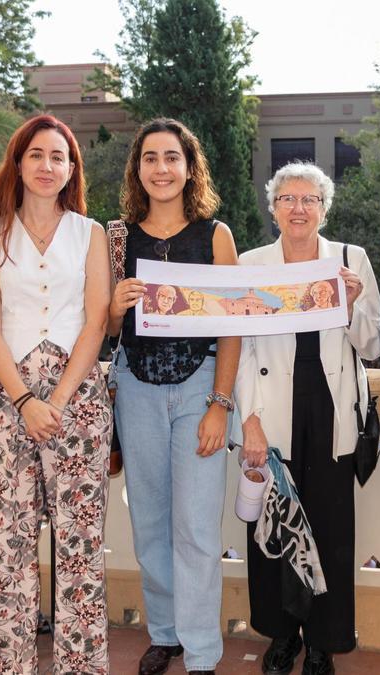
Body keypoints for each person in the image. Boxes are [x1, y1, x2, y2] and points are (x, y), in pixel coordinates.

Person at [0, 114, 112, 673]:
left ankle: (81, 666)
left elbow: (96, 320)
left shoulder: (90, 233)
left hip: (80, 402)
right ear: (18, 163)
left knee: (80, 547)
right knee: (10, 549)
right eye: (37, 155)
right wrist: (26, 401)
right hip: (7, 404)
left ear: (71, 169)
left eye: (59, 157)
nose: (48, 167)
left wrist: (61, 398)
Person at [234, 161, 380, 675]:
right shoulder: (250, 263)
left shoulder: (351, 258)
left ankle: (323, 639)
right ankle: (281, 636)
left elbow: (372, 344)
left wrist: (355, 302)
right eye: (288, 199)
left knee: (331, 531)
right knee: (274, 529)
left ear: (324, 208)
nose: (298, 209)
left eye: (309, 199)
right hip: (271, 412)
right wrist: (248, 422)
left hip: (331, 410)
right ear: (273, 207)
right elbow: (239, 352)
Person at [107, 118, 239, 675]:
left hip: (198, 389)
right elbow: (104, 332)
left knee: (197, 527)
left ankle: (203, 652)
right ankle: (165, 634)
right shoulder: (115, 238)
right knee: (152, 525)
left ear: (190, 167)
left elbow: (233, 325)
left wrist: (220, 403)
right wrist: (115, 306)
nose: (162, 169)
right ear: (138, 168)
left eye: (172, 158)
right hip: (135, 388)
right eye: (151, 158)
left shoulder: (216, 236)